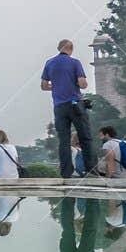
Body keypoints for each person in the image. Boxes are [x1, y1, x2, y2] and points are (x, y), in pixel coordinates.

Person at [40, 39, 94, 178]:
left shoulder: (49, 63)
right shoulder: (74, 62)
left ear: (59, 48)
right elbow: (83, 84)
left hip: (59, 106)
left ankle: (66, 172)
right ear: (70, 49)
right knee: (85, 137)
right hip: (75, 103)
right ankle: (91, 169)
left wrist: (57, 86)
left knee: (63, 141)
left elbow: (44, 86)